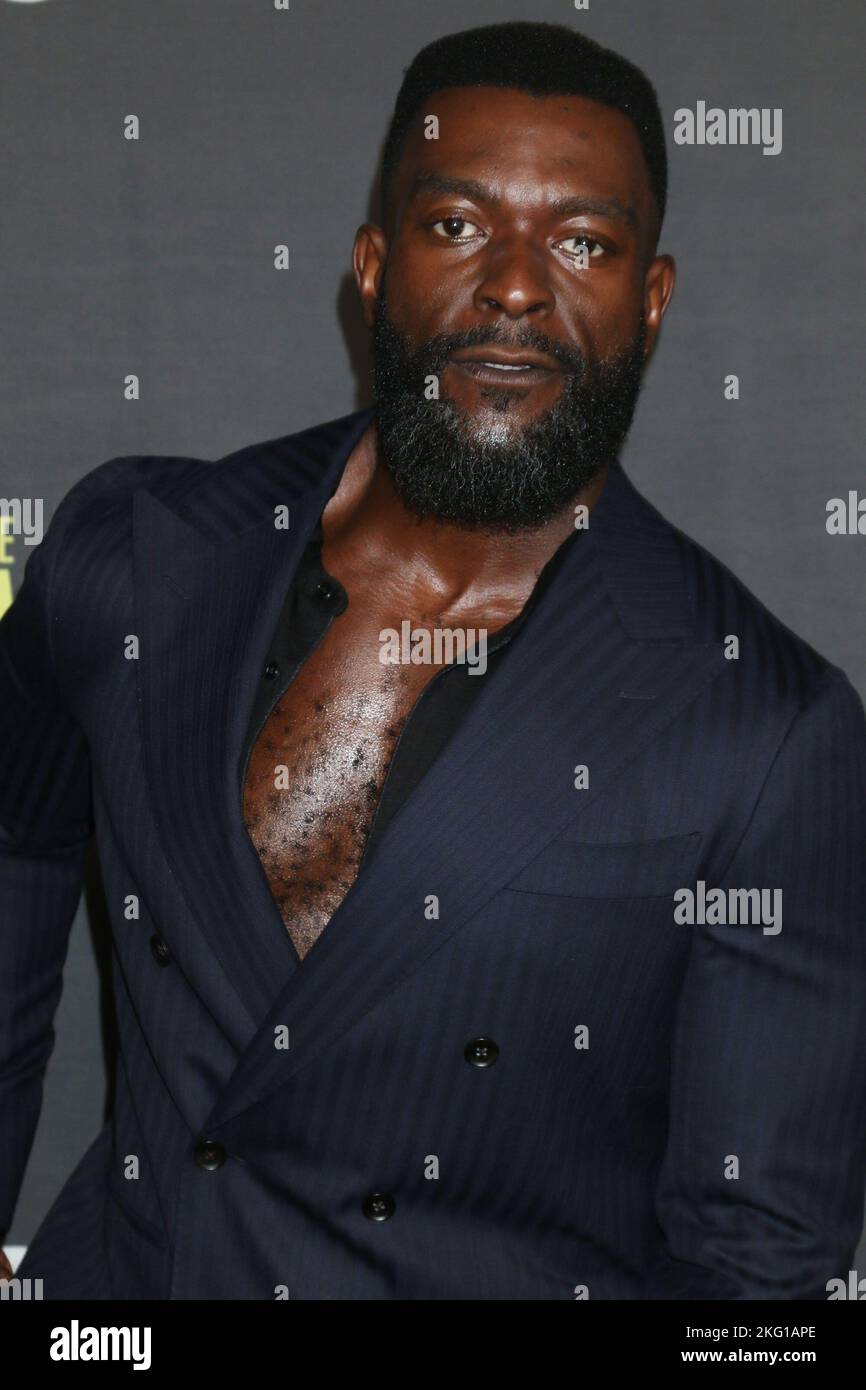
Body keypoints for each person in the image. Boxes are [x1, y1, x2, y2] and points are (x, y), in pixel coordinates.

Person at [2, 20, 865, 1301]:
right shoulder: (134, 553)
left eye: (582, 242)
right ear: (369, 265)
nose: (516, 285)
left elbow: (757, 1271)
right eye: (457, 224)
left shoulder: (759, 725)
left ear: (651, 297)